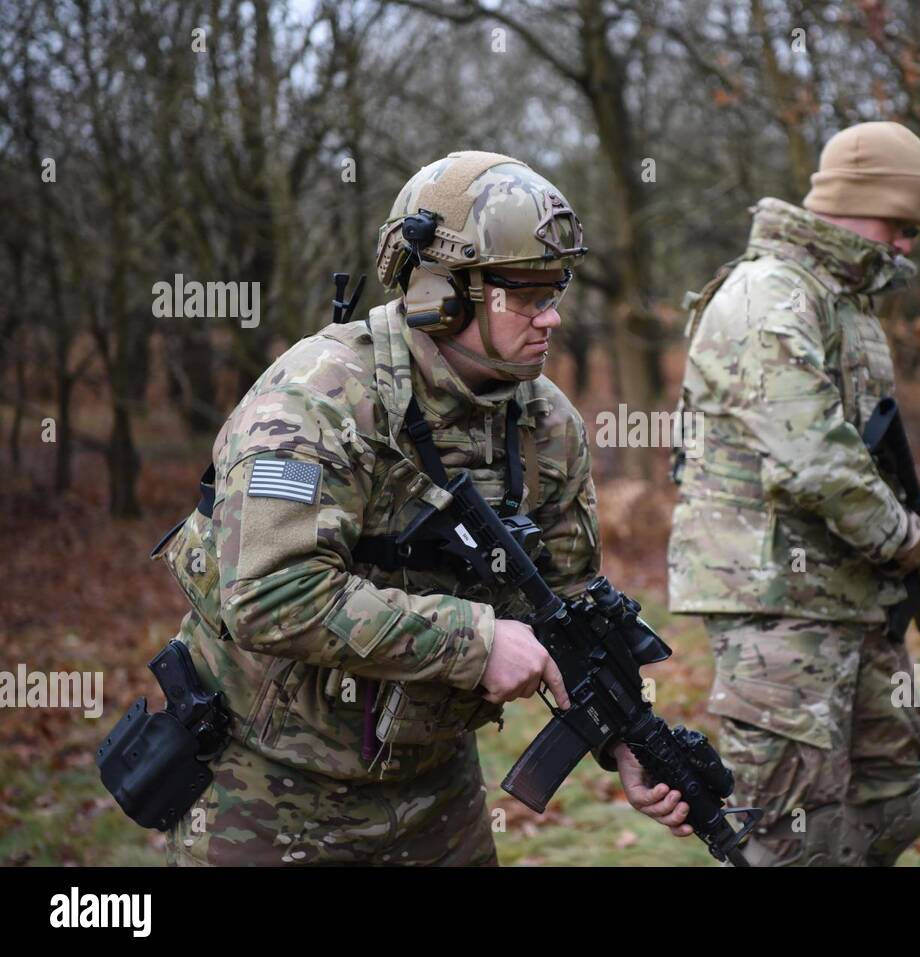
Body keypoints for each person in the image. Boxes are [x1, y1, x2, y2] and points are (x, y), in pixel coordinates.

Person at [155, 150, 685, 865]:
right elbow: (270, 594)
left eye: (556, 289)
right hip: (269, 787)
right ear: (443, 292)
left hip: (435, 786)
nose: (553, 315)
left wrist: (628, 738)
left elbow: (568, 600)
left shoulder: (545, 424)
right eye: (526, 293)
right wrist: (476, 641)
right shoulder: (317, 399)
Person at [667, 122, 920, 866]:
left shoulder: (843, 301)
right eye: (899, 223)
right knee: (793, 839)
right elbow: (816, 462)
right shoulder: (769, 296)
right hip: (780, 611)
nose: (906, 243)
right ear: (853, 202)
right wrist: (912, 544)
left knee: (888, 808)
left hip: (854, 601)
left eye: (916, 229)